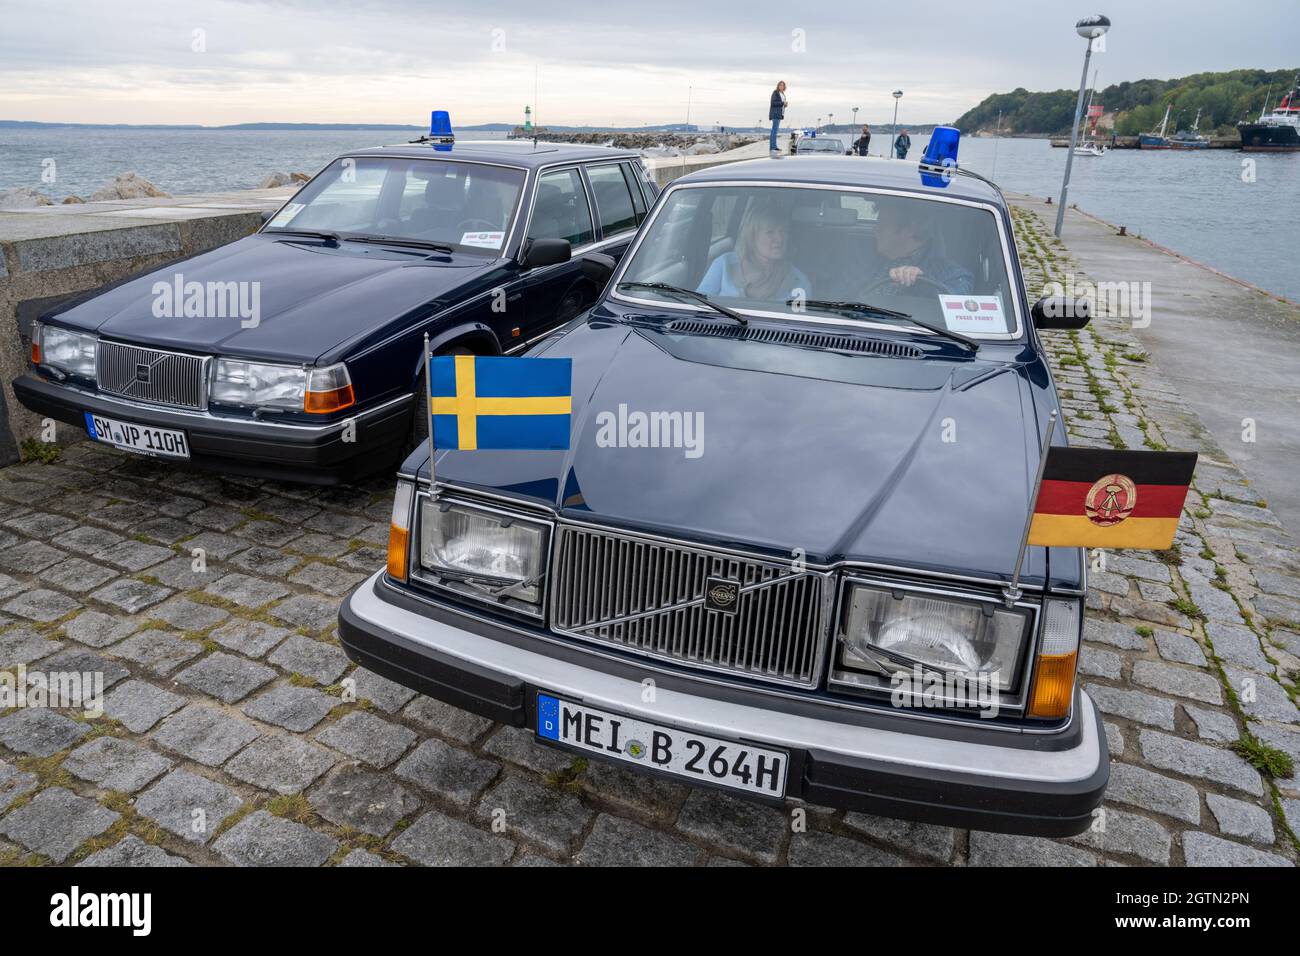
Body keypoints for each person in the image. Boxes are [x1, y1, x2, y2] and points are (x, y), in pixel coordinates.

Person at [697, 201, 810, 302]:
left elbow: (801, 321)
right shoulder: (724, 264)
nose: (780, 238)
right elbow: (698, 307)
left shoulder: (798, 282)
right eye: (770, 232)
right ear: (752, 236)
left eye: (784, 231)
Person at [857, 201, 972, 296]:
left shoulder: (951, 274)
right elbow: (842, 296)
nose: (876, 229)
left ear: (909, 231)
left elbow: (960, 303)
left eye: (884, 223)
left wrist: (924, 283)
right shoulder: (864, 261)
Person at [768, 81, 787, 155]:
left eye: (783, 85)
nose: (781, 86)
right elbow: (773, 103)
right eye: (780, 85)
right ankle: (772, 147)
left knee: (775, 131)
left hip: (779, 114)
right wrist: (782, 103)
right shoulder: (775, 93)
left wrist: (784, 105)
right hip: (775, 114)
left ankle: (774, 146)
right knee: (774, 130)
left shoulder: (782, 94)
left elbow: (780, 104)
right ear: (778, 86)